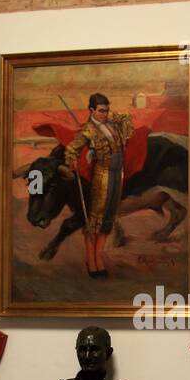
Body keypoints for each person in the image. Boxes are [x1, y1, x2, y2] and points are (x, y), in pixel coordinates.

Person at [59, 94, 134, 279]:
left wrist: (111, 116)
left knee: (109, 216)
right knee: (96, 218)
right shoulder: (88, 130)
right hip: (103, 175)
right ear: (91, 110)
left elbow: (127, 120)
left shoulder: (113, 125)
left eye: (107, 110)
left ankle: (99, 257)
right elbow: (71, 149)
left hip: (118, 174)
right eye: (101, 110)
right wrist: (72, 161)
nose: (105, 114)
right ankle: (91, 261)